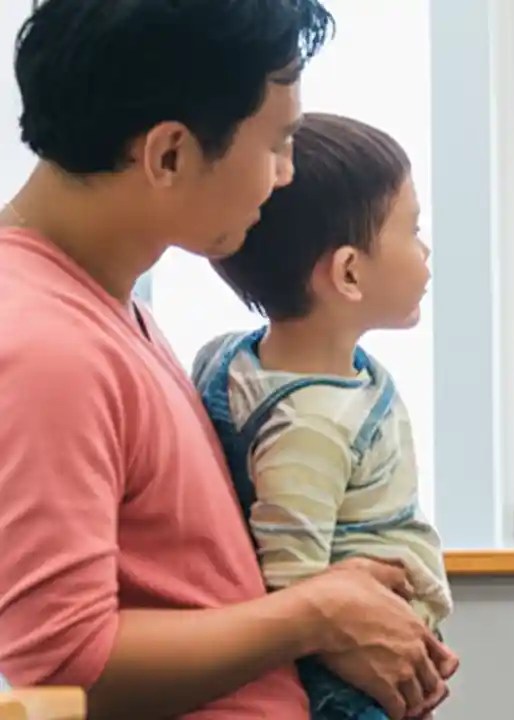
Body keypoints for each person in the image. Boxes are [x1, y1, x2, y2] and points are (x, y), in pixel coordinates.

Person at [0, 2, 456, 719]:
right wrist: (315, 614)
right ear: (170, 154)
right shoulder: (47, 345)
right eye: (277, 142)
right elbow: (63, 661)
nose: (283, 175)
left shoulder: (111, 309)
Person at [193, 112, 451, 720]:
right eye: (413, 230)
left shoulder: (239, 361)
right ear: (349, 272)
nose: (426, 249)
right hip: (347, 686)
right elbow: (296, 587)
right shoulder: (311, 425)